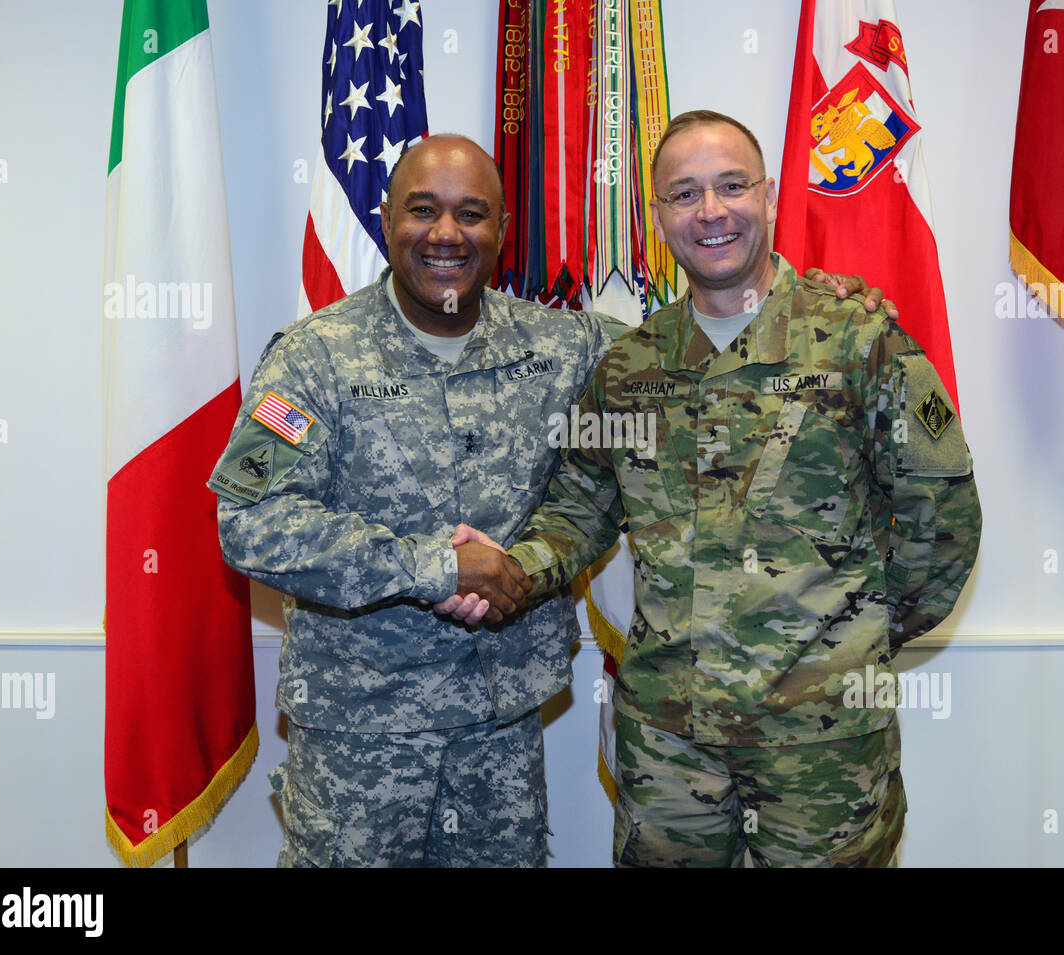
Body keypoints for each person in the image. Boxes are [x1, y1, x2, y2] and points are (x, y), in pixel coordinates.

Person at [210, 131, 891, 868]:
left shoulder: (565, 345)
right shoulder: (315, 355)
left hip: (499, 737)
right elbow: (249, 519)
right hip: (357, 741)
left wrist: (804, 299)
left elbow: (698, 343)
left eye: (472, 213)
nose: (446, 233)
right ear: (385, 221)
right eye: (422, 211)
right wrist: (435, 566)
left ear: (502, 232)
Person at [451, 110, 982, 867]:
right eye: (685, 193)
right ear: (658, 218)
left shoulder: (858, 341)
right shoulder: (631, 368)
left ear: (767, 197)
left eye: (732, 186)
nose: (712, 212)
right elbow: (579, 510)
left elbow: (944, 512)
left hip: (822, 747)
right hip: (669, 749)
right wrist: (506, 569)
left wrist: (850, 639)